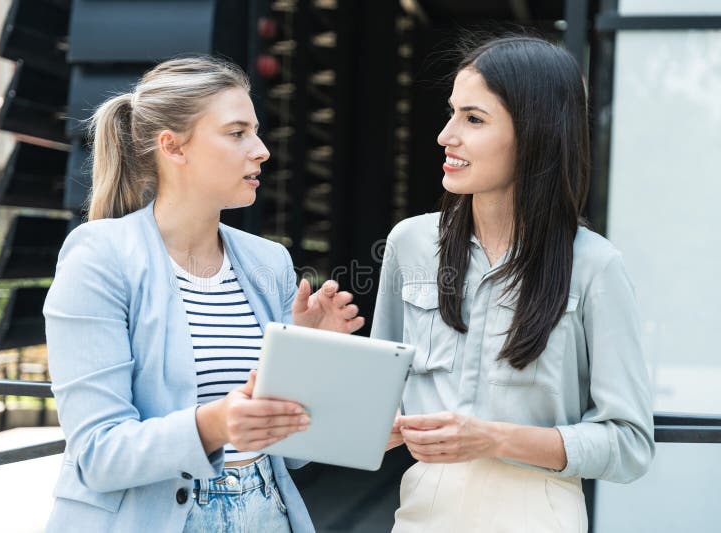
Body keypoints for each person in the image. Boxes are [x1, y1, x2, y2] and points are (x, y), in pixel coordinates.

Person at [43, 56, 364, 533]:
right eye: (237, 133)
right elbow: (98, 454)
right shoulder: (100, 257)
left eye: (255, 132)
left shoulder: (268, 262)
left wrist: (309, 361)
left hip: (267, 511)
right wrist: (214, 424)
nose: (261, 151)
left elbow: (291, 456)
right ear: (173, 147)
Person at [373, 36, 655, 532]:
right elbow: (372, 410)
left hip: (539, 513)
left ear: (534, 133)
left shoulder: (595, 267)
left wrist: (493, 439)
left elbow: (629, 444)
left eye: (473, 119)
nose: (445, 135)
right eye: (451, 113)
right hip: (423, 511)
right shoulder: (410, 244)